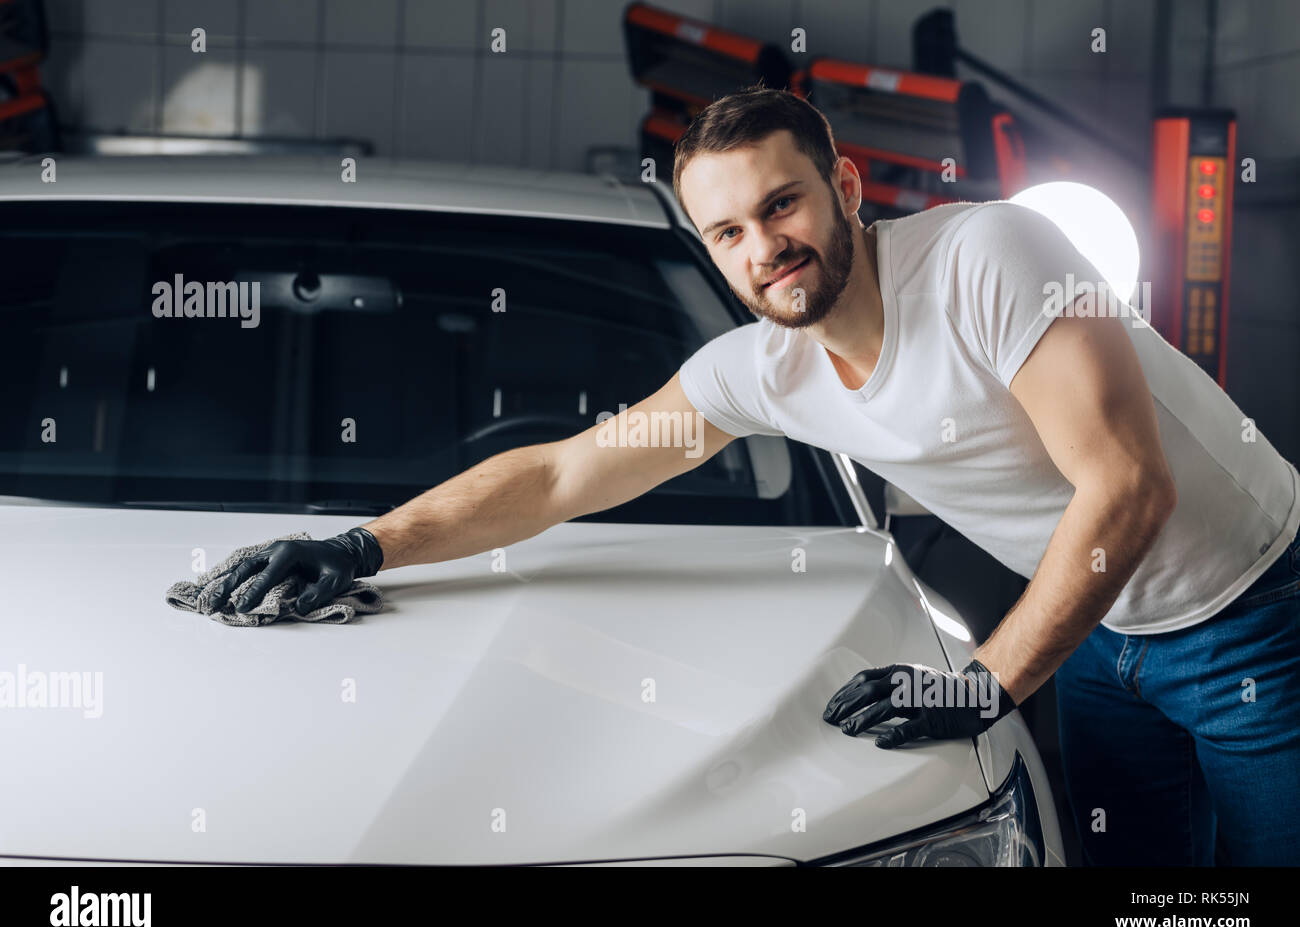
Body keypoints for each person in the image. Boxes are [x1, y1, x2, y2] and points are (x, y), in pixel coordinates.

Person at [212, 85, 1300, 866]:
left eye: (780, 206)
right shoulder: (764, 370)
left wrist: (983, 681)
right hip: (1105, 635)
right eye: (726, 231)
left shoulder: (990, 258)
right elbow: (558, 473)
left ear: (843, 184)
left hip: (1258, 608)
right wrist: (363, 543)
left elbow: (1126, 485)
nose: (762, 248)